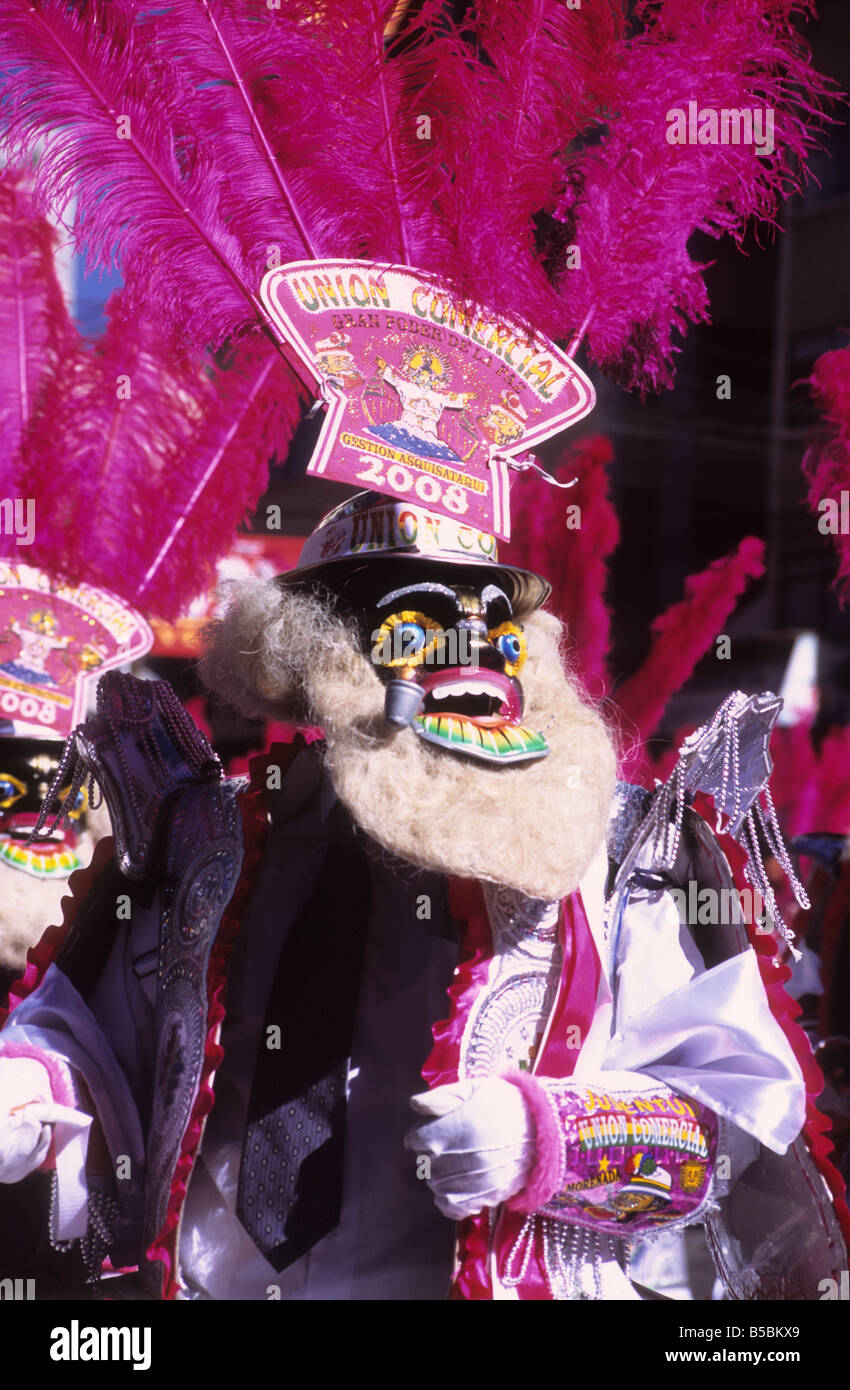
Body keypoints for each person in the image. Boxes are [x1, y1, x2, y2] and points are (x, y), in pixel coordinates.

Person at [0, 491, 843, 1300]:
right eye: (423, 622)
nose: (469, 654)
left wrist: (551, 1139)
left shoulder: (621, 849)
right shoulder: (200, 836)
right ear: (305, 648)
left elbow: (739, 1119)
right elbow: (101, 1049)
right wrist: (32, 1093)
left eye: (497, 624)